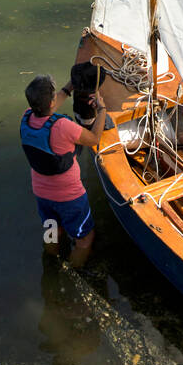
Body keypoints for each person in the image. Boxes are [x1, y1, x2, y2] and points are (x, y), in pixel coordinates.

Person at [20, 73, 108, 268]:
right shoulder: (63, 127)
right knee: (84, 238)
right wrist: (102, 110)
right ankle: (73, 272)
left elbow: (48, 107)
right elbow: (93, 139)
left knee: (53, 229)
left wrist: (70, 86)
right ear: (51, 102)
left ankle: (50, 260)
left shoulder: (26, 118)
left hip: (42, 194)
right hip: (69, 198)